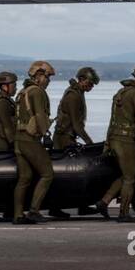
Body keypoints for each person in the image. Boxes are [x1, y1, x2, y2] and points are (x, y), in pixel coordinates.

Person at [97, 64, 135, 223]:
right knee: (131, 178)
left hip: (115, 138)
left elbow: (112, 120)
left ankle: (104, 201)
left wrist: (107, 142)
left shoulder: (121, 92)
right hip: (126, 140)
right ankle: (123, 213)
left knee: (125, 175)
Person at [49, 66, 99, 218]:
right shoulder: (73, 96)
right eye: (89, 84)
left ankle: (82, 205)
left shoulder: (78, 93)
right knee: (63, 176)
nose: (90, 87)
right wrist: (90, 143)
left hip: (68, 137)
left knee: (77, 174)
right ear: (82, 80)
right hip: (63, 138)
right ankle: (55, 208)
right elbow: (76, 125)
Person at [12, 60, 56, 224]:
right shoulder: (36, 92)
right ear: (38, 76)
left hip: (19, 139)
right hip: (30, 140)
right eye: (47, 77)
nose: (48, 81)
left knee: (25, 178)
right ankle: (33, 210)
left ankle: (17, 215)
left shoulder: (22, 92)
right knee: (47, 174)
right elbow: (39, 115)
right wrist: (46, 135)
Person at [0, 71, 18, 152]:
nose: (15, 88)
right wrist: (13, 142)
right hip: (4, 142)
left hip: (6, 140)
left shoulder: (8, 101)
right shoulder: (2, 102)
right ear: (4, 87)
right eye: (14, 86)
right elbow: (7, 125)